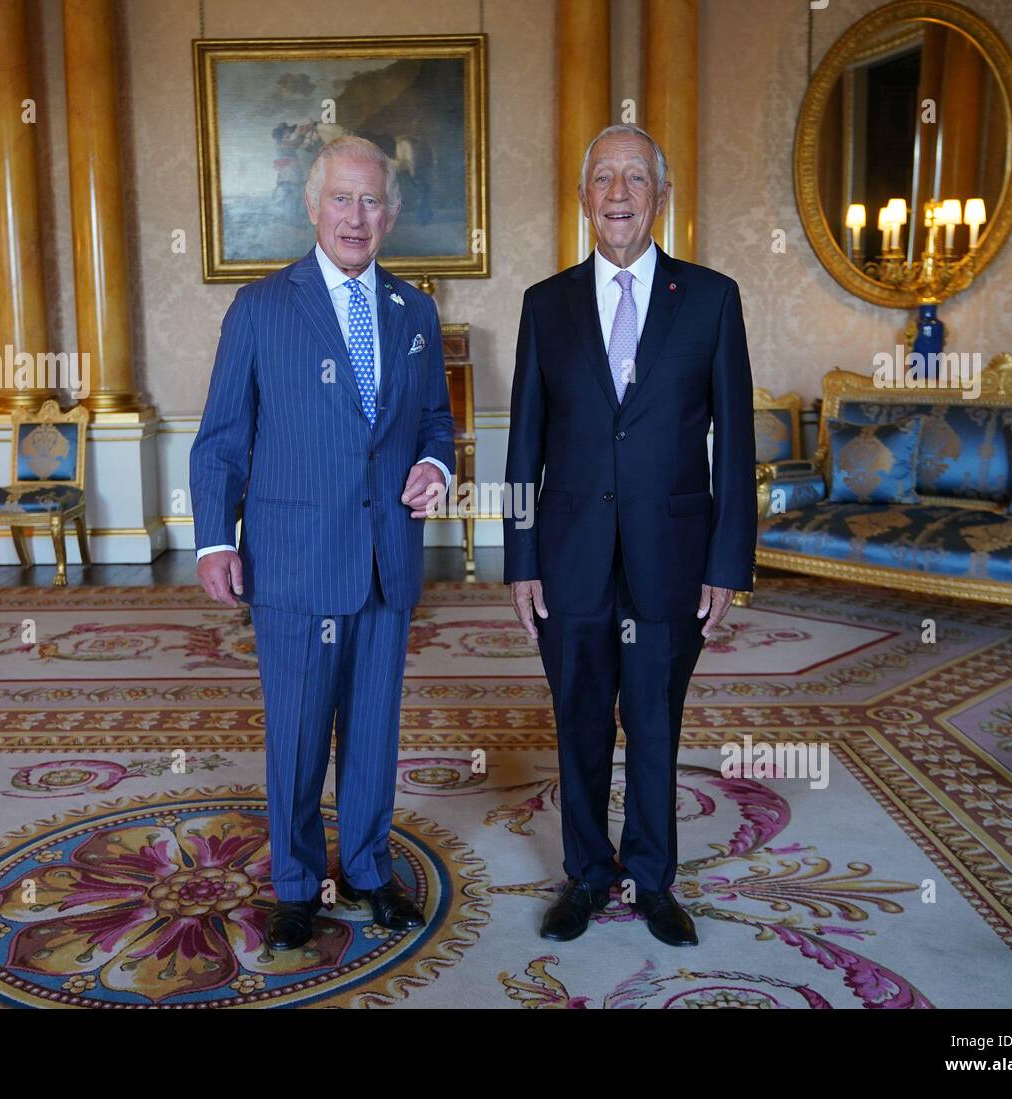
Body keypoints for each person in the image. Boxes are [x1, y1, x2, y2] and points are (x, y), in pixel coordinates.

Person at [191, 135, 455, 951]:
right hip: (296, 563)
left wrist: (436, 464)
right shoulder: (262, 308)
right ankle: (299, 884)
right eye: (341, 199)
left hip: (386, 559)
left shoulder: (416, 311)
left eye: (371, 200)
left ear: (393, 213)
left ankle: (370, 870)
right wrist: (212, 541)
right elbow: (221, 440)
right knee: (300, 735)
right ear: (311, 208)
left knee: (373, 732)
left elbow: (436, 420)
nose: (356, 215)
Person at [503, 124, 757, 947]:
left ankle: (653, 880)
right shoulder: (545, 305)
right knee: (578, 718)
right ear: (583, 197)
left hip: (672, 558)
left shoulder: (713, 298)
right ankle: (587, 873)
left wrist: (727, 562)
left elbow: (738, 441)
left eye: (635, 179)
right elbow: (522, 444)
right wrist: (519, 558)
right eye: (604, 178)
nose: (618, 193)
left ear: (661, 197)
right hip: (569, 558)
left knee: (654, 719)